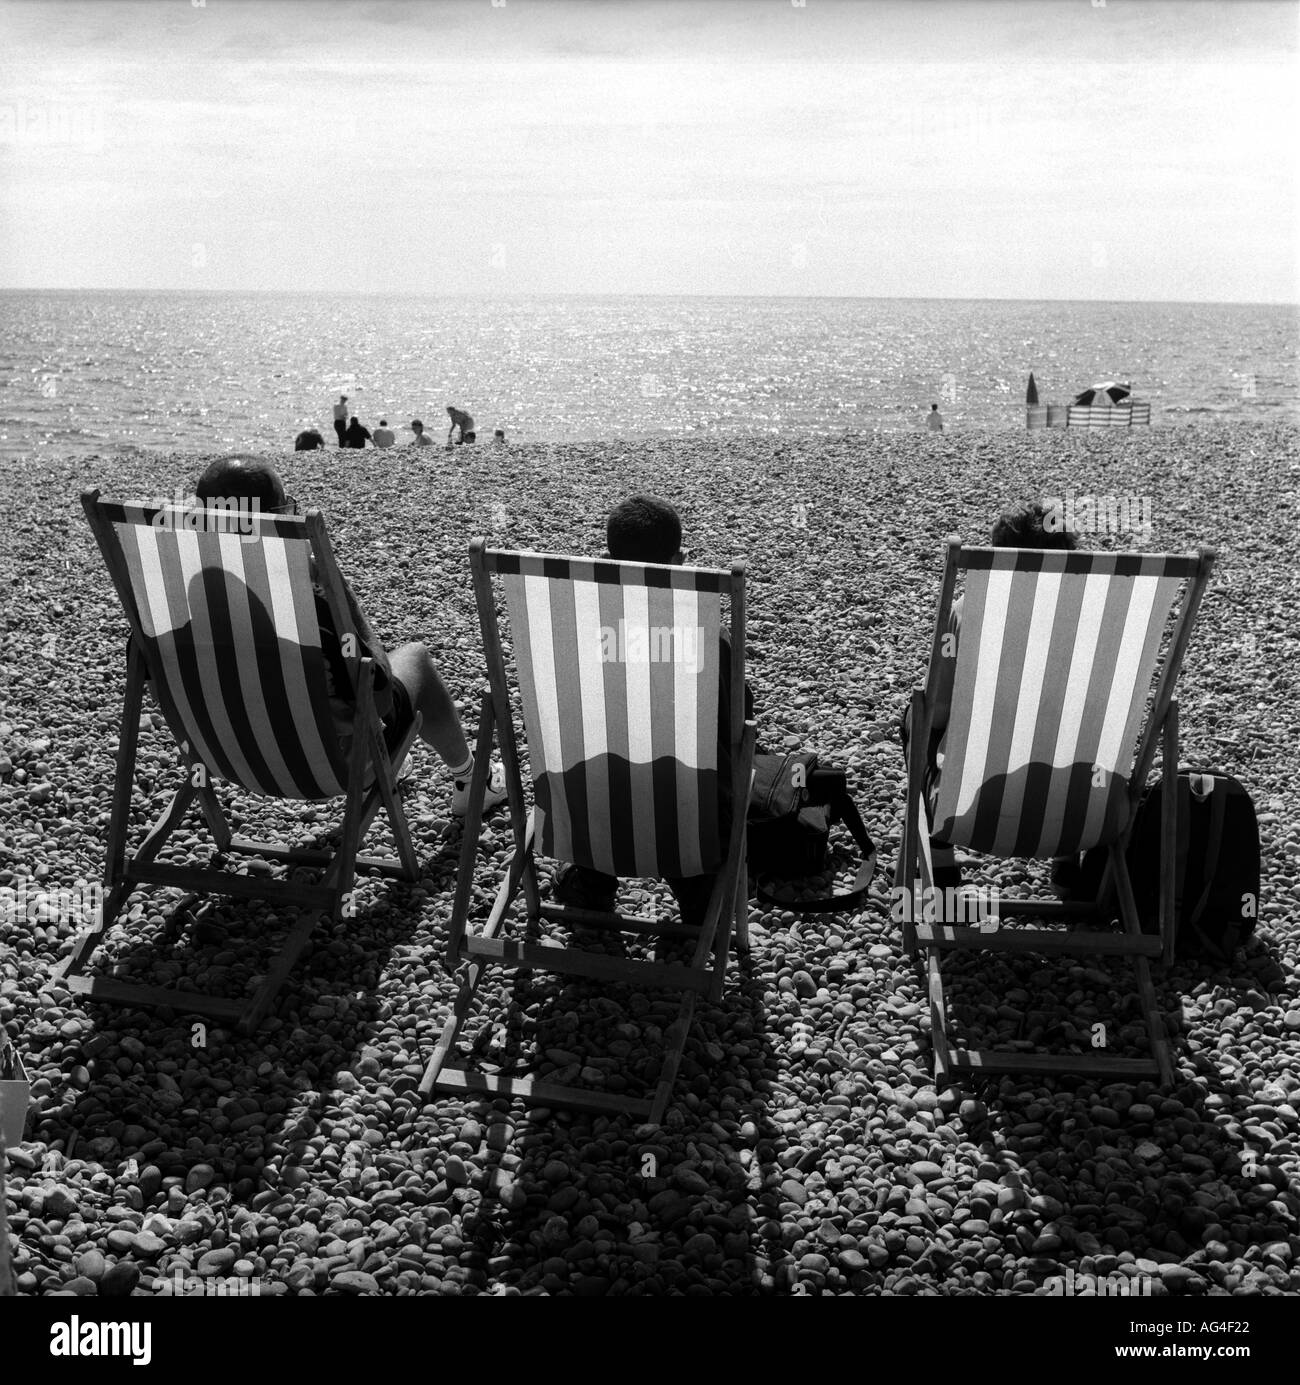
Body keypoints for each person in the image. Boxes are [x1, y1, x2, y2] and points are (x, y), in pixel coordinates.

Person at [191, 456, 506, 817]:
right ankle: (471, 781)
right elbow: (381, 693)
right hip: (329, 766)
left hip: (228, 757)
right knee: (415, 657)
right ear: (275, 516)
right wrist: (334, 585)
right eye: (285, 507)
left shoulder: (169, 599)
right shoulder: (304, 600)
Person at [552, 496, 755, 937]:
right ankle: (699, 895)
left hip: (590, 820)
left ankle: (593, 883)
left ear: (607, 561)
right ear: (680, 562)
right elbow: (734, 732)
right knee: (693, 769)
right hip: (688, 826)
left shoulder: (570, 633)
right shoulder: (709, 641)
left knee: (599, 760)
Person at [899, 501, 1078, 888]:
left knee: (917, 718)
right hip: (1079, 810)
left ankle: (941, 873)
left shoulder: (969, 610)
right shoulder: (1099, 617)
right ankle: (1069, 865)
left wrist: (916, 721)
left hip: (975, 807)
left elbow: (939, 712)